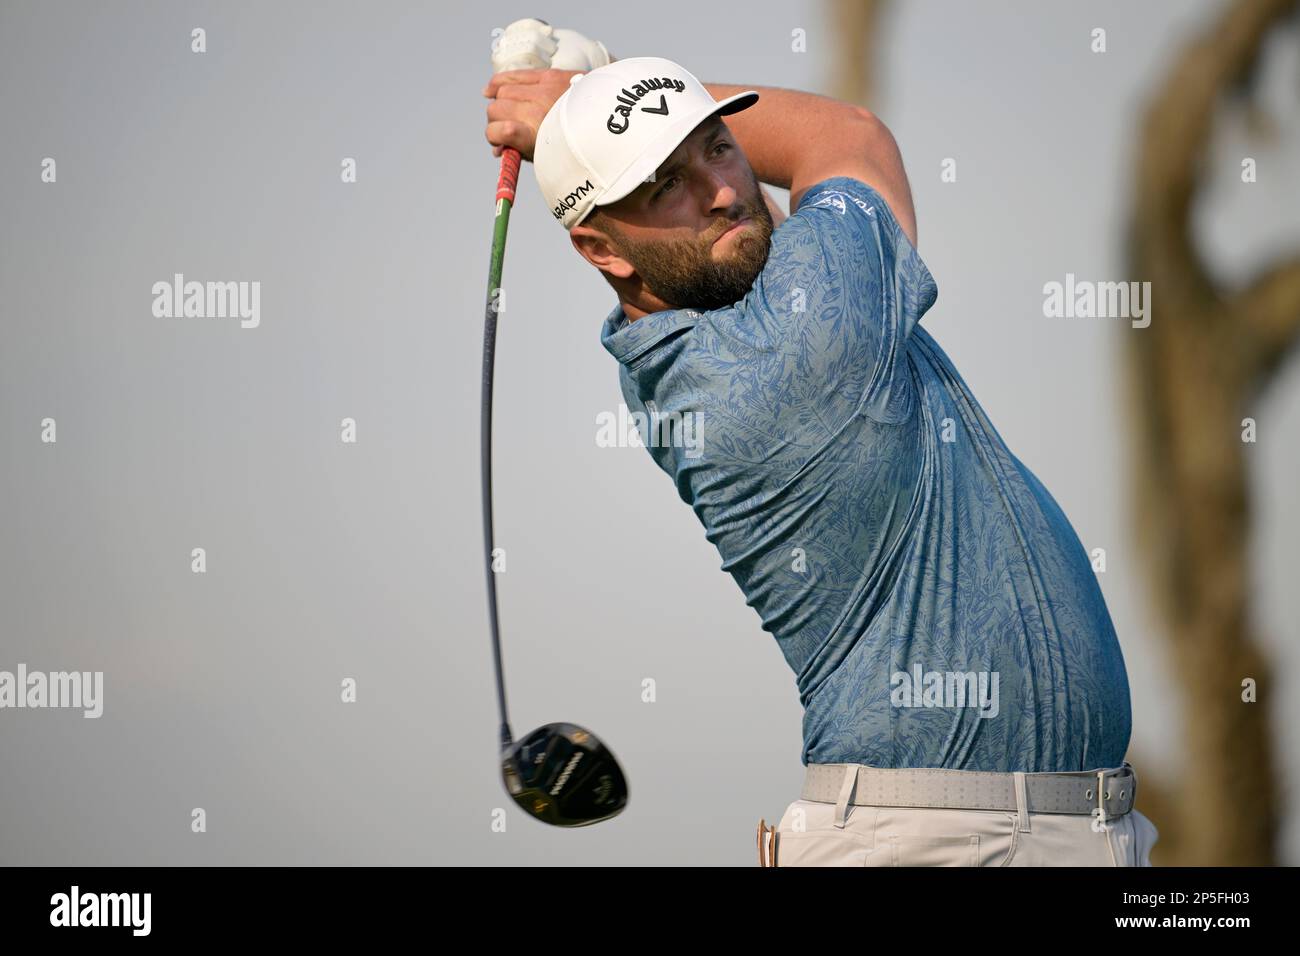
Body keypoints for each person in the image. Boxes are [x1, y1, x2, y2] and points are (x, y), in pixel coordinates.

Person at [483, 27, 1159, 866]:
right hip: (934, 842)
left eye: (719, 147)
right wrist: (593, 97)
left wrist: (604, 109)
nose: (721, 190)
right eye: (663, 186)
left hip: (1041, 833)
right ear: (600, 248)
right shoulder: (786, 360)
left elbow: (748, 231)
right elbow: (848, 138)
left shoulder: (698, 323)